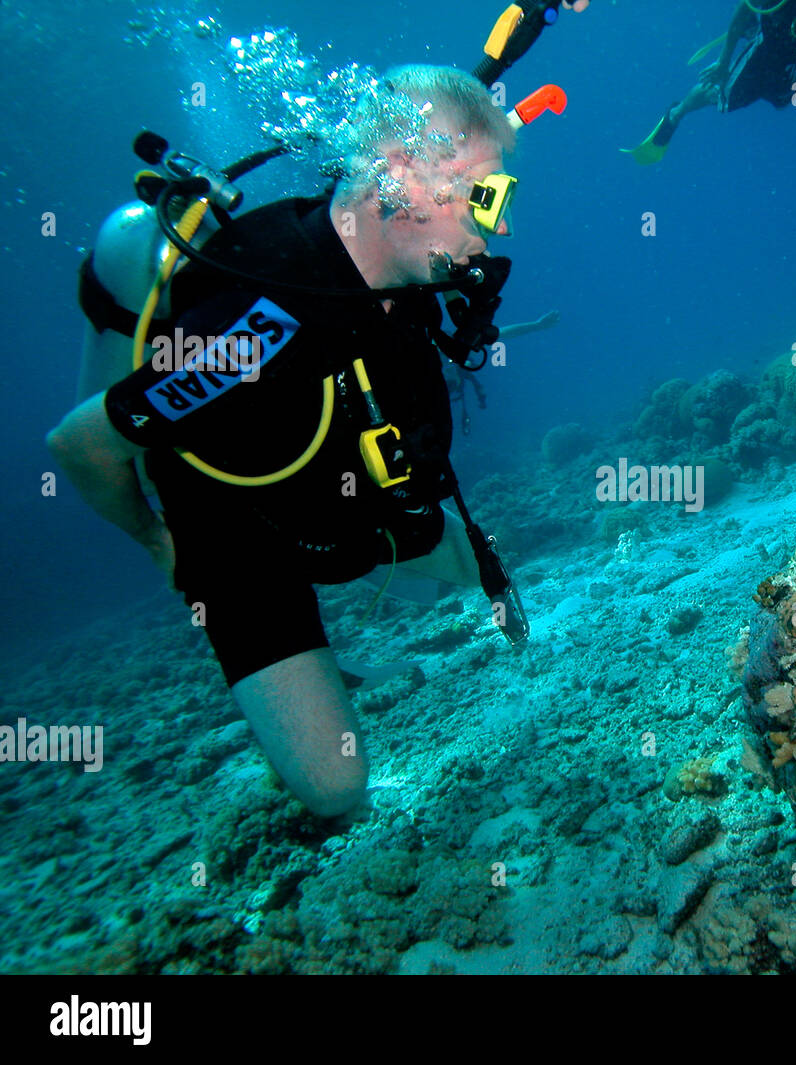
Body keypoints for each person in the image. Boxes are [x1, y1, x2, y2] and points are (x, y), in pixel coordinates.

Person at [47, 65, 529, 818]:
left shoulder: (395, 280)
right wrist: (156, 539)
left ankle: (348, 617)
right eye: (484, 196)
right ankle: (307, 665)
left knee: (481, 571)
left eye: (500, 199)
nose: (494, 225)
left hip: (339, 497)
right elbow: (80, 446)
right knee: (339, 786)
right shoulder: (253, 330)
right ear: (398, 175)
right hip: (237, 537)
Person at [624, 0, 796, 164]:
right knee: (725, 98)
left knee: (785, 101)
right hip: (772, 41)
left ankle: (750, 35)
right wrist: (724, 63)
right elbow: (742, 9)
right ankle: (675, 113)